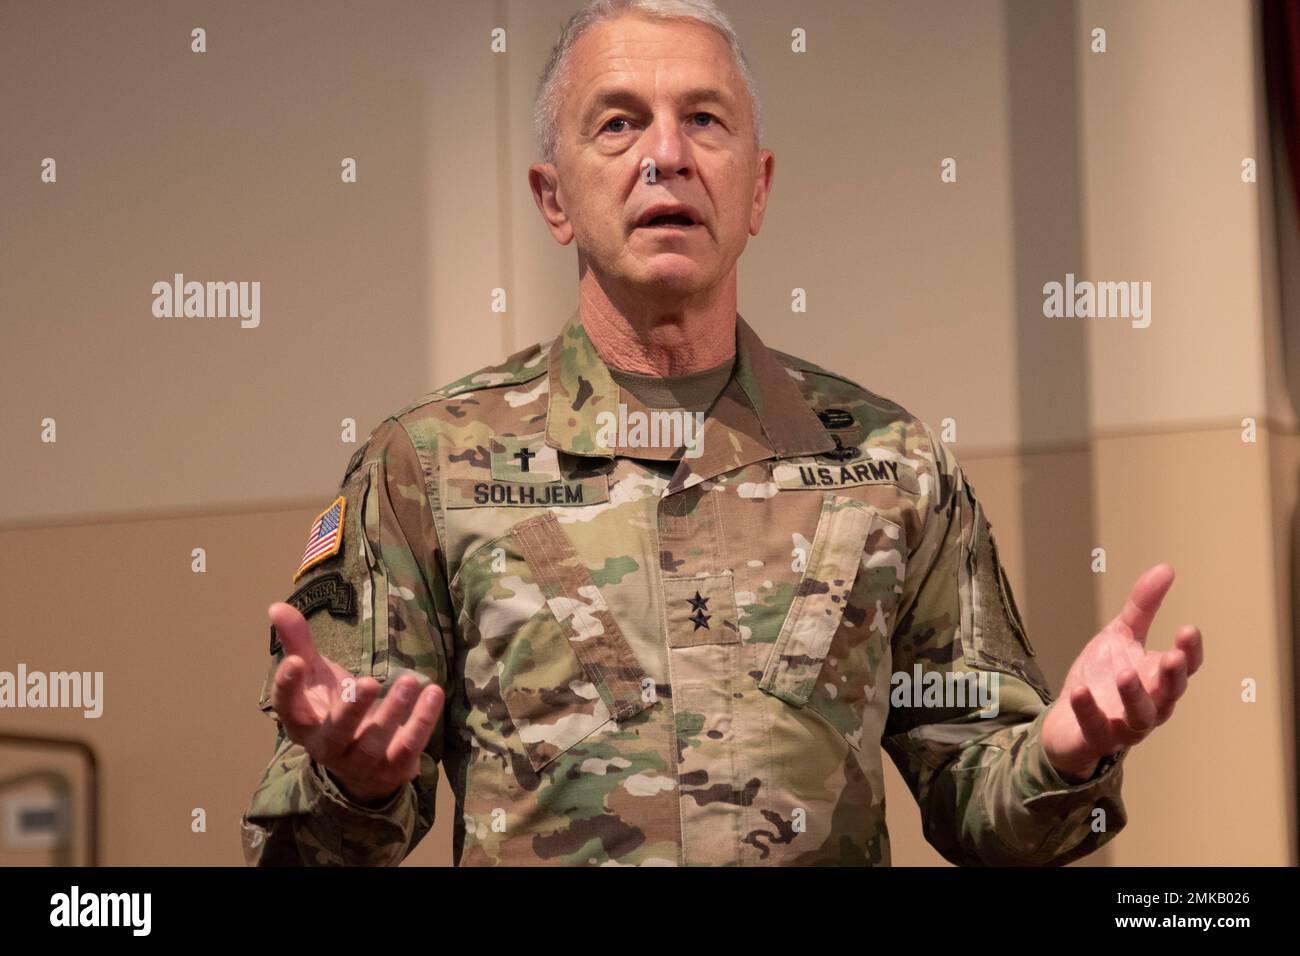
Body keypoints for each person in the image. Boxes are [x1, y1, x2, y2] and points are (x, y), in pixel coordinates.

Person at [240, 0, 1204, 866]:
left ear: (757, 189)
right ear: (553, 198)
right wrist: (352, 783)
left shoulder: (887, 463)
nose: (666, 155)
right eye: (618, 123)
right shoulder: (427, 465)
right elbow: (303, 856)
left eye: (703, 119)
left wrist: (1068, 750)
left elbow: (988, 808)